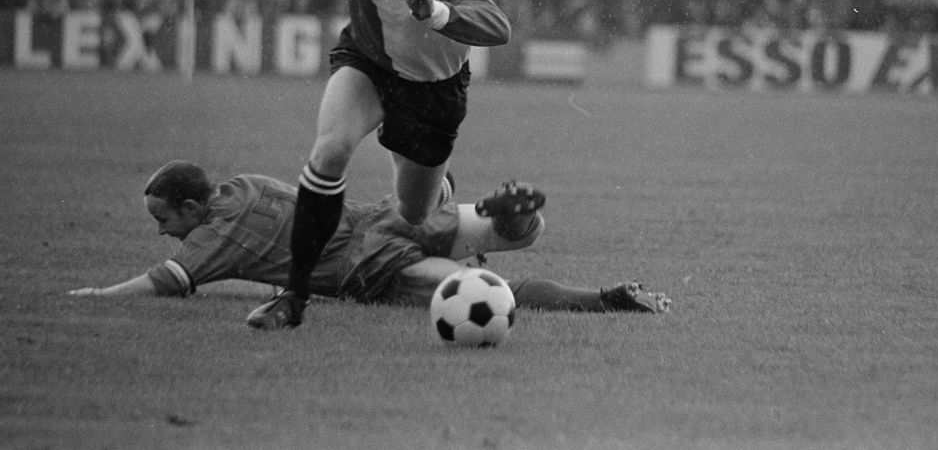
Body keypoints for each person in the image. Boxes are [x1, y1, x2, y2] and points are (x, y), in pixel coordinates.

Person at [199, 0, 513, 329]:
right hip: (367, 61)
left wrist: (438, 11)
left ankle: (441, 189)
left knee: (413, 213)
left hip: (431, 93)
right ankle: (294, 297)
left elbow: (497, 25)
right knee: (330, 151)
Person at [68, 161, 671, 315]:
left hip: (367, 264)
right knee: (524, 236)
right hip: (387, 216)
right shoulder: (244, 185)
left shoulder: (217, 238)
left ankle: (605, 299)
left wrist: (98, 296)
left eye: (164, 219)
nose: (161, 232)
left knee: (485, 292)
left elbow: (165, 282)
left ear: (194, 206)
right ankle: (503, 214)